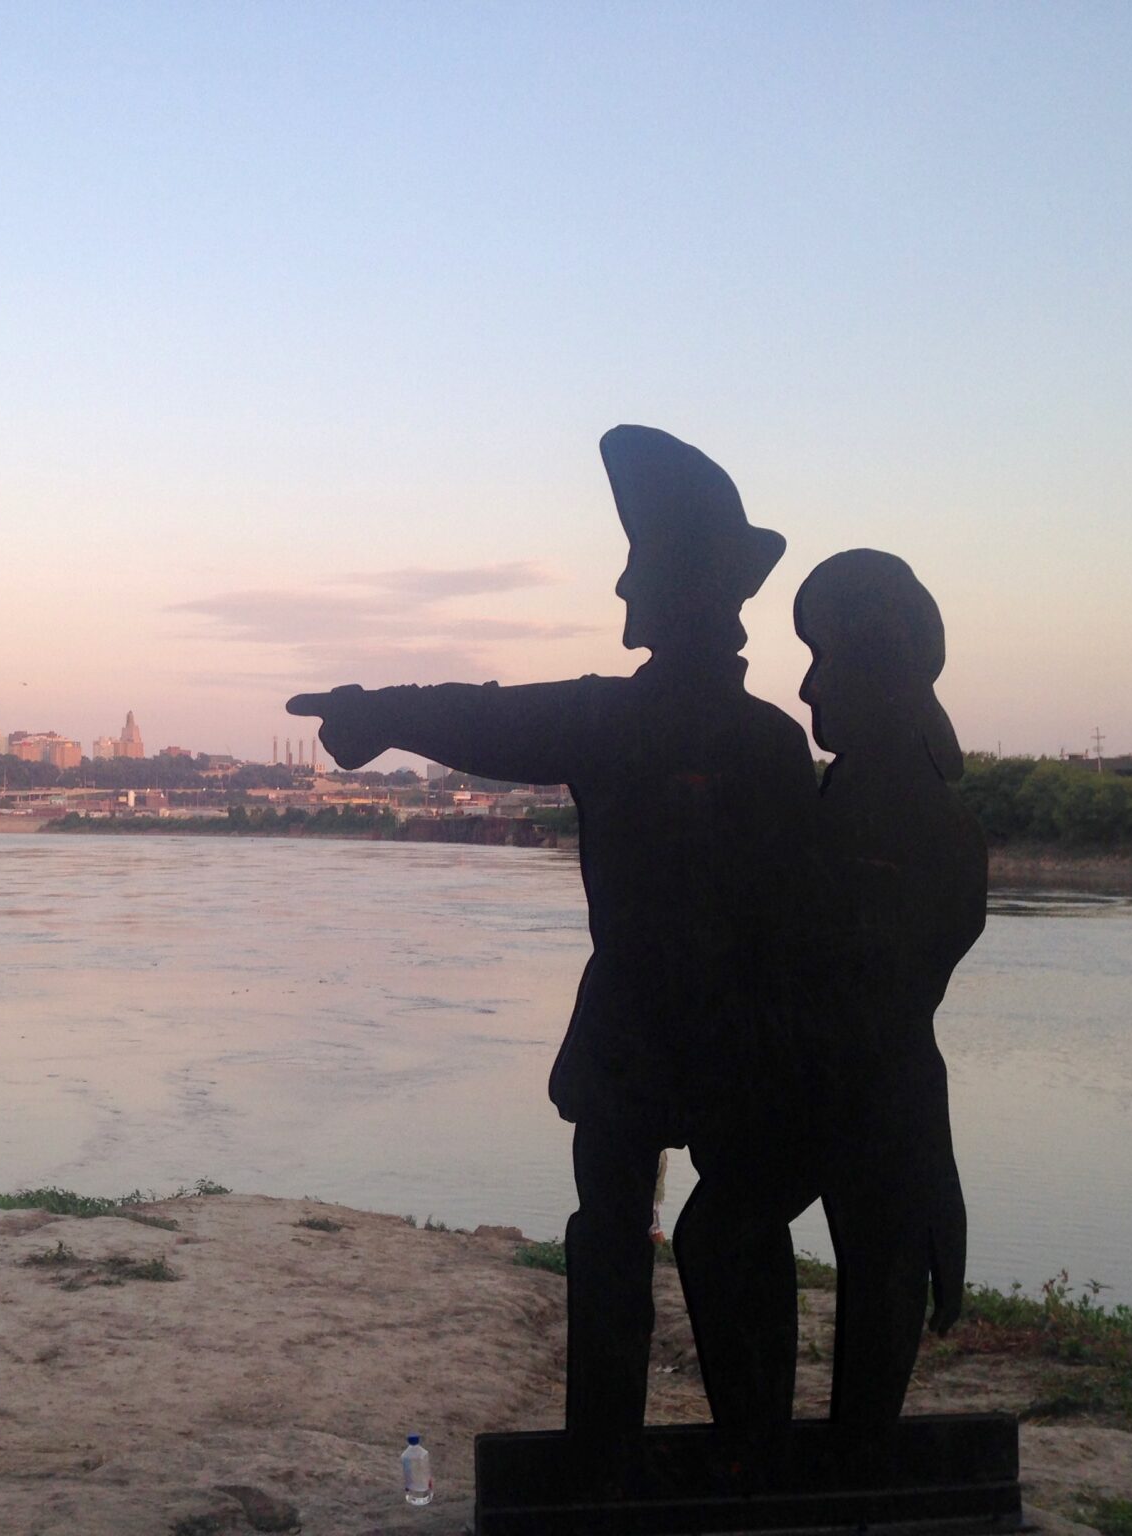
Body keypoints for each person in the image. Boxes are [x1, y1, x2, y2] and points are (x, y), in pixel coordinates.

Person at [288, 425, 818, 1474]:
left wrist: (370, 715)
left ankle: (603, 1457)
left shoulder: (613, 721)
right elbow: (805, 918)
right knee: (730, 1238)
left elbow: (484, 718)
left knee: (615, 1233)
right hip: (737, 1037)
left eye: (635, 571)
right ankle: (753, 1452)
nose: (620, 592)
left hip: (635, 1028)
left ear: (675, 588)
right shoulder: (764, 743)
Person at [796, 549, 983, 1432]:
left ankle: (847, 1467)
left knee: (873, 1272)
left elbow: (891, 1010)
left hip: (863, 1102)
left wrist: (932, 1172)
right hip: (862, 1097)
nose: (808, 687)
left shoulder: (906, 813)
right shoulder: (868, 796)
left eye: (823, 657)